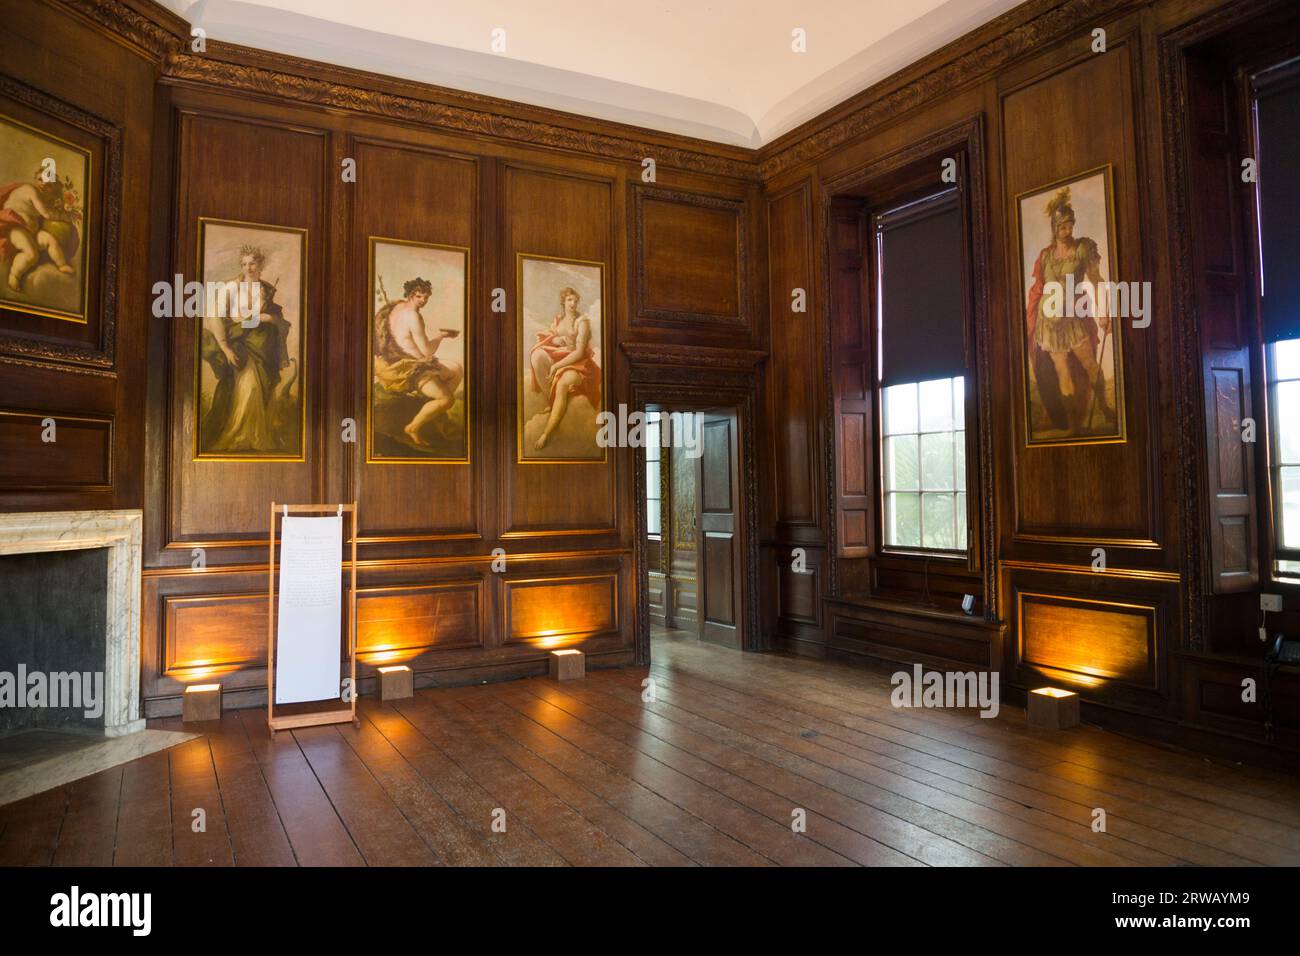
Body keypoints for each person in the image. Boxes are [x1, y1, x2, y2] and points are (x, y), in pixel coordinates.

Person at [1024, 187, 1114, 434]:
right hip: (1049, 324)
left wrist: (1104, 312)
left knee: (1090, 365)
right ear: (1055, 228)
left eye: (1070, 226)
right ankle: (1074, 426)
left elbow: (1097, 281)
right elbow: (1040, 289)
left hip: (1073, 319)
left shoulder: (1082, 248)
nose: (1068, 231)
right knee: (1062, 372)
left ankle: (1105, 409)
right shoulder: (1046, 257)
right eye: (1063, 227)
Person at [199, 245, 294, 454]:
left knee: (261, 391)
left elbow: (276, 321)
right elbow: (216, 317)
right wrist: (224, 347)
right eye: (244, 264)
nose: (248, 267)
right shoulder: (230, 288)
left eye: (252, 263)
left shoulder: (266, 289)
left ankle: (259, 438)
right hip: (238, 343)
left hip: (262, 346)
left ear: (260, 265)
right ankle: (239, 436)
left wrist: (269, 318)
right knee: (248, 388)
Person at [373, 276, 463, 447]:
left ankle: (432, 410)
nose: (423, 301)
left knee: (457, 369)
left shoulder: (396, 307)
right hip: (407, 368)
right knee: (447, 400)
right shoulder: (412, 315)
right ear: (410, 295)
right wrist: (441, 336)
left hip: (402, 361)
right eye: (419, 296)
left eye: (426, 297)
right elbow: (427, 351)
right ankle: (413, 427)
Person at [528, 285, 600, 450]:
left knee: (562, 382)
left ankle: (547, 433)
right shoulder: (558, 320)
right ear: (564, 302)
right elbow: (549, 335)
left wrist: (556, 367)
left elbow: (580, 352)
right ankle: (551, 401)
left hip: (579, 363)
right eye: (569, 300)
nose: (573, 303)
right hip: (560, 356)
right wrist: (555, 340)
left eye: (575, 300)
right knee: (536, 356)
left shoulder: (582, 322)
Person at [0, 173, 81, 292]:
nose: (44, 183)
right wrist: (68, 216)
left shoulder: (43, 197)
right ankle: (14, 275)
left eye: (49, 184)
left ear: (52, 188)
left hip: (31, 232)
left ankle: (62, 264)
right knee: (31, 255)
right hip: (16, 228)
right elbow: (47, 214)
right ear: (35, 179)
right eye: (40, 179)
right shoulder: (30, 189)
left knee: (50, 240)